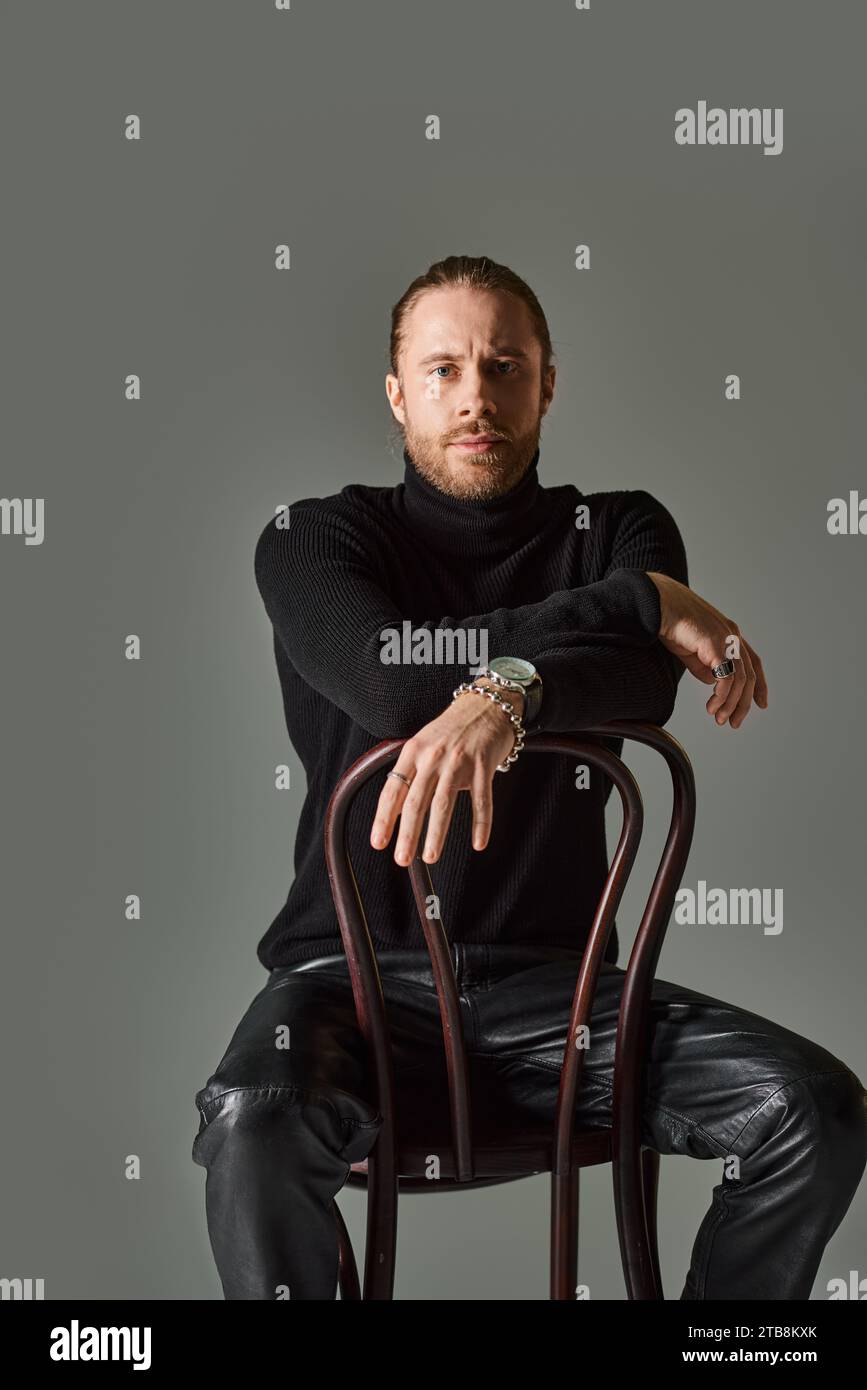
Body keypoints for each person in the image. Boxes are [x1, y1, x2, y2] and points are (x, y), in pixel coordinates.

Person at [192, 254, 866, 1299]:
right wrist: (639, 601)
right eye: (444, 367)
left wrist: (508, 685)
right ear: (397, 391)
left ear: (547, 383)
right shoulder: (315, 538)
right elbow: (388, 680)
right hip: (349, 987)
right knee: (251, 1120)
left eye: (504, 367)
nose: (475, 396)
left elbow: (643, 684)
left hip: (564, 995)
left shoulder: (621, 532)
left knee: (812, 1107)